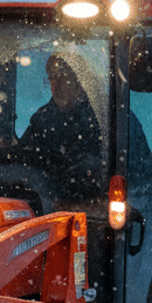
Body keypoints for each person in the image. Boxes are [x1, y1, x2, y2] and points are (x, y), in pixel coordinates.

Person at [14, 53, 103, 201]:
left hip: (92, 209)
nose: (56, 85)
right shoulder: (42, 119)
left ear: (80, 80)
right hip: (49, 206)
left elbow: (136, 175)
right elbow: (22, 155)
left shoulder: (107, 117)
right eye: (52, 78)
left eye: (64, 77)